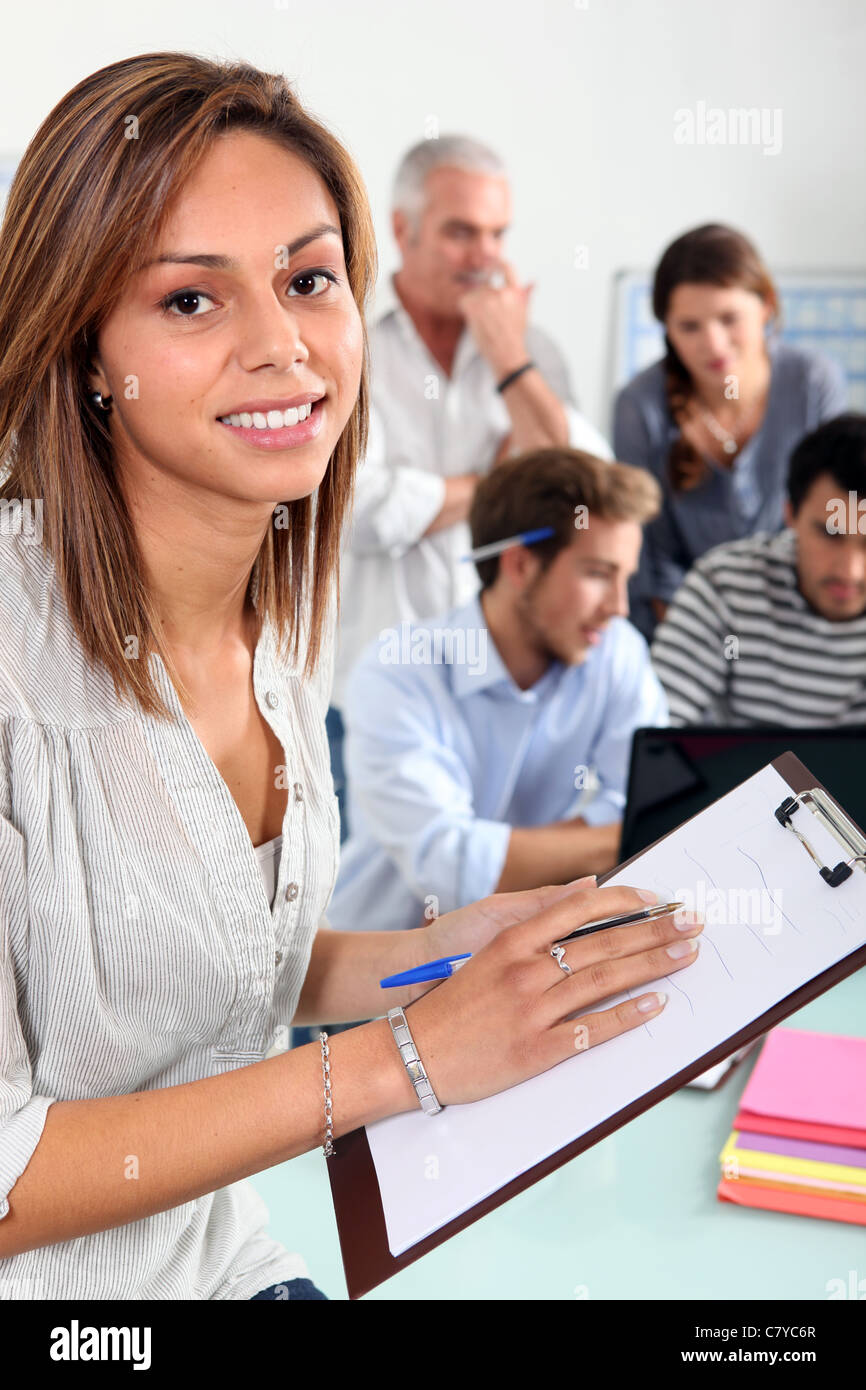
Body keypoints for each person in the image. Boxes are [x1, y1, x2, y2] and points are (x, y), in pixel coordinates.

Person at [0, 52, 704, 1303]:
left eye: (308, 279)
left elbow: (179, 961)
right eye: (189, 301)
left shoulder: (273, 611)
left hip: (213, 1258)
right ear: (85, 343)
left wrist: (432, 956)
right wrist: (402, 1057)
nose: (284, 345)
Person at [329, 135, 613, 830]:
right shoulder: (344, 338)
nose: (485, 255)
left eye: (496, 234)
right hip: (363, 691)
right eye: (461, 233)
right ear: (402, 230)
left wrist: (509, 355)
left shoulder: (531, 353)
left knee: (482, 905)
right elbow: (360, 511)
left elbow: (584, 501)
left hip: (501, 699)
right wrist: (499, 484)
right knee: (361, 915)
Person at [327, 448, 669, 938]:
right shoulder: (398, 670)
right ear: (520, 565)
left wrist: (498, 857)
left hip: (534, 954)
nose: (618, 606)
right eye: (598, 574)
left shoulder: (616, 652)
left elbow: (650, 804)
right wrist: (618, 839)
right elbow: (448, 869)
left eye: (626, 578)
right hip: (383, 975)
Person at [613, 223, 849, 643]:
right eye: (689, 327)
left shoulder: (812, 382)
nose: (713, 343)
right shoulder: (639, 407)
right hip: (681, 631)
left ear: (766, 307)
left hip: (799, 623)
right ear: (666, 328)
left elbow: (834, 520)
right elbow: (647, 556)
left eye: (729, 319)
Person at [651, 413, 866, 726]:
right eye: (830, 534)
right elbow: (658, 728)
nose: (850, 570)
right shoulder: (724, 584)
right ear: (790, 514)